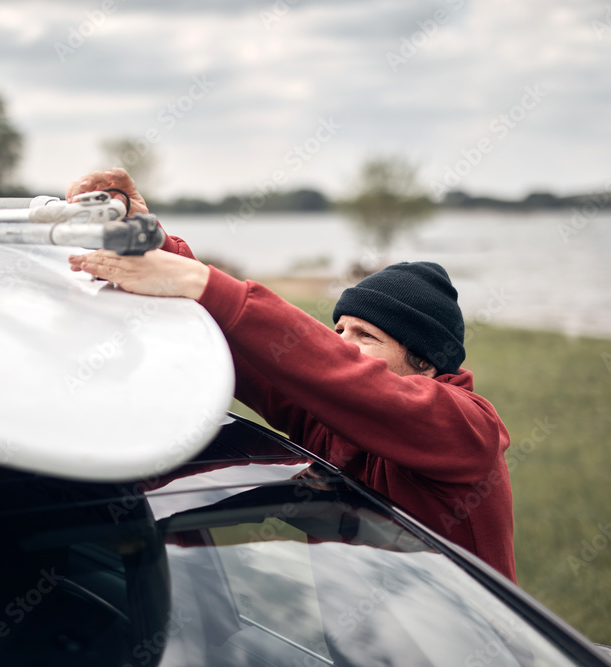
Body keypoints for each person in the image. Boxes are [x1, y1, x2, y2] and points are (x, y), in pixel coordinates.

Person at [67, 169, 515, 582]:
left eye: (366, 335)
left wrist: (203, 282)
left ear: (426, 364)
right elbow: (263, 356)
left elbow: (349, 377)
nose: (343, 344)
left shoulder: (466, 432)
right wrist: (157, 246)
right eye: (339, 330)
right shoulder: (333, 420)